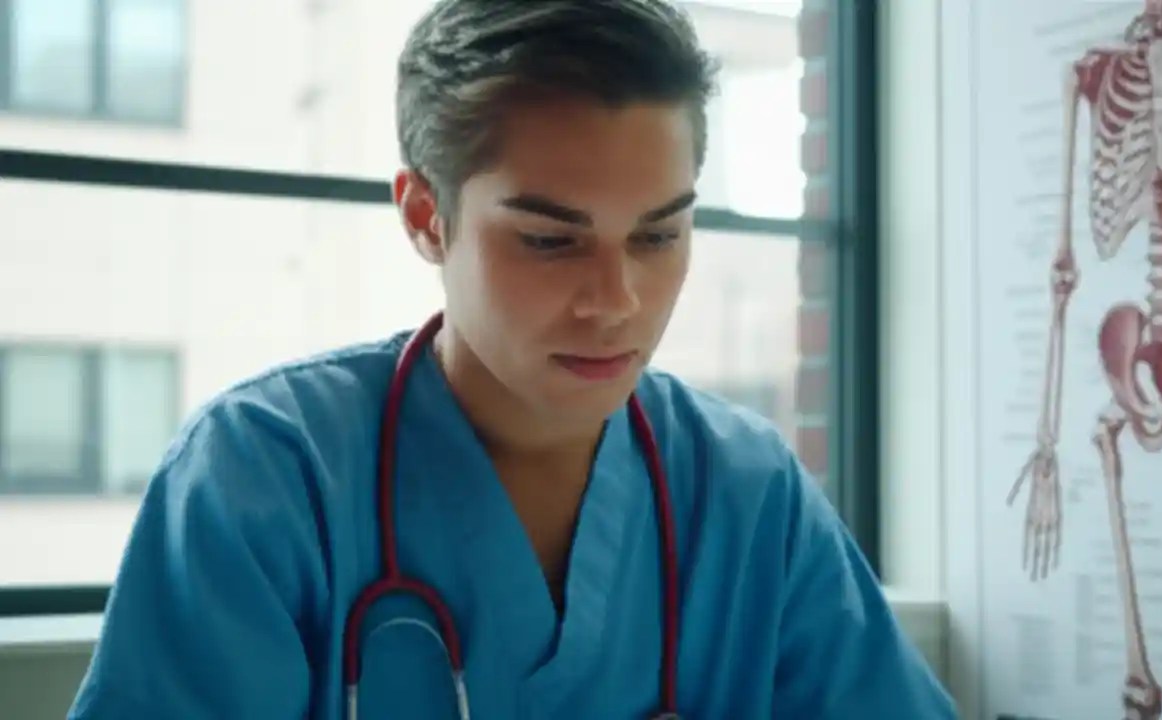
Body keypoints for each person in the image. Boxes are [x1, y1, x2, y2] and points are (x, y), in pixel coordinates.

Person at [67, 1, 957, 718]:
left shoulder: (749, 497)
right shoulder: (262, 480)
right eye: (547, 239)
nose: (618, 300)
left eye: (659, 234)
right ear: (425, 216)